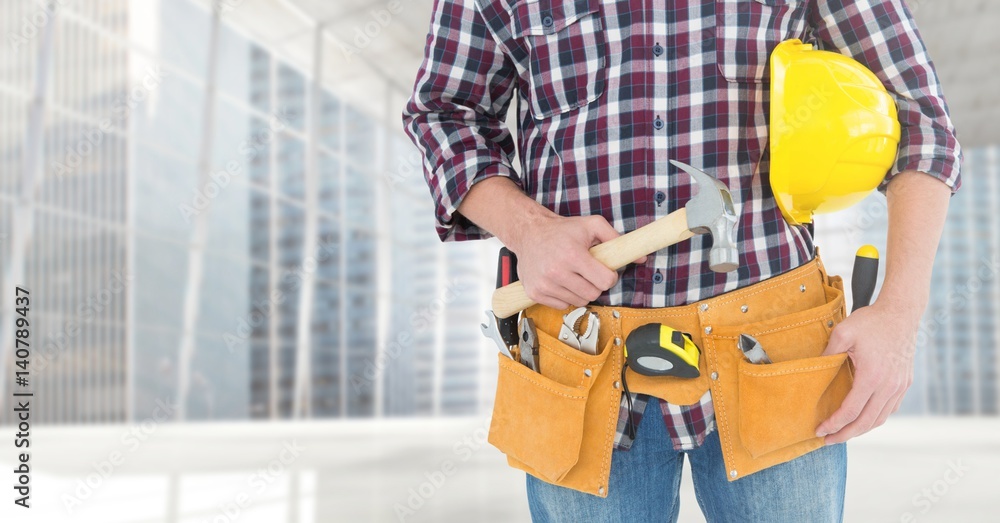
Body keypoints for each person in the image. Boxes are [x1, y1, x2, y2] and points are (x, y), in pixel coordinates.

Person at [402, 0, 960, 521]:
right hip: (581, 357)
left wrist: (900, 313)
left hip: (775, 355)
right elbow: (443, 112)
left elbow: (920, 119)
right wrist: (528, 230)